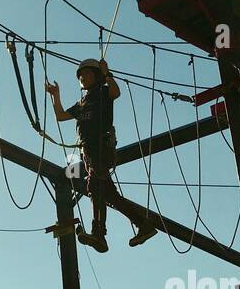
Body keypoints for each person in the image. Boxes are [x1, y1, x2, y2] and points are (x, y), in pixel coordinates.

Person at [47, 58, 157, 253]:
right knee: (109, 195)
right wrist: (56, 95)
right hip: (89, 150)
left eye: (86, 73)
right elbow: (61, 116)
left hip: (99, 147)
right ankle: (143, 224)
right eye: (80, 75)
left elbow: (116, 92)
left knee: (94, 186)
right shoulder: (83, 101)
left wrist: (107, 74)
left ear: (96, 76)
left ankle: (99, 233)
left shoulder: (102, 92)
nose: (82, 77)